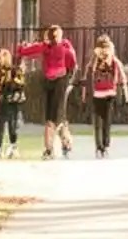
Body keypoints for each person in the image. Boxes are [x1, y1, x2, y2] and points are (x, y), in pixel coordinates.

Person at [16, 25, 77, 160]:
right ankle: (63, 144)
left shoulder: (64, 48)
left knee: (53, 118)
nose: (53, 39)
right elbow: (30, 50)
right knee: (56, 117)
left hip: (61, 82)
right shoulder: (48, 47)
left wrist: (22, 49)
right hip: (51, 82)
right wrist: (22, 50)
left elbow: (72, 65)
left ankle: (51, 148)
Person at [81, 35, 128, 159]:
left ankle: (105, 145)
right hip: (97, 94)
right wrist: (85, 94)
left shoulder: (113, 61)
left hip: (109, 94)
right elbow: (89, 75)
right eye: (102, 47)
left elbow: (122, 76)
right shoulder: (94, 61)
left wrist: (124, 91)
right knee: (98, 123)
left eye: (106, 47)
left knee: (106, 122)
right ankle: (99, 146)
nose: (104, 50)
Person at [0, 48, 26, 159]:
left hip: (12, 101)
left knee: (12, 125)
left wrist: (15, 81)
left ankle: (13, 146)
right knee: (0, 125)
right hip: (2, 101)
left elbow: (20, 84)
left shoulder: (13, 70)